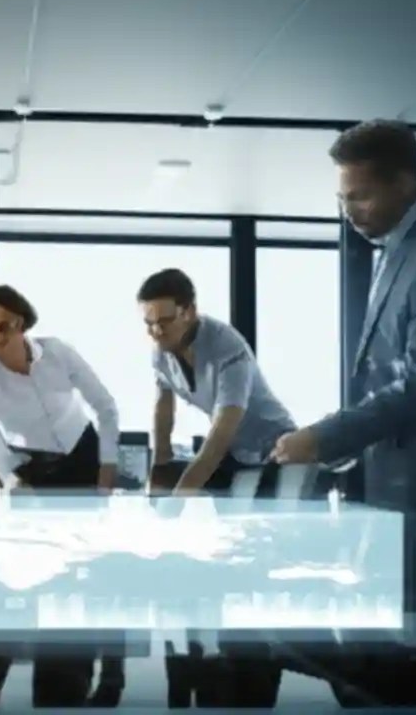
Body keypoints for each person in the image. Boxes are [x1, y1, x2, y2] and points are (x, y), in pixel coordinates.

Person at [270, 121, 416, 657]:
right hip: (400, 485)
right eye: (341, 198)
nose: (348, 211)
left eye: (359, 196)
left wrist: (328, 436)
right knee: (396, 650)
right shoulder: (400, 248)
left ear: (405, 183)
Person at [137, 267, 305, 708]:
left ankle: (264, 659)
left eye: (165, 320)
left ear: (190, 311)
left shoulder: (227, 347)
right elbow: (162, 409)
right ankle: (216, 646)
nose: (156, 330)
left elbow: (221, 433)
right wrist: (160, 467)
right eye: (148, 322)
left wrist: (179, 496)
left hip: (275, 449)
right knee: (225, 545)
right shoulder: (161, 351)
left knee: (262, 552)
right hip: (231, 453)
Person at [0, 284, 123, 708]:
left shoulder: (58, 353)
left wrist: (106, 474)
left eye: (4, 327)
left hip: (84, 459)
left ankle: (81, 682)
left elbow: (106, 407)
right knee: (25, 572)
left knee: (85, 573)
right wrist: (16, 482)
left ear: (23, 322)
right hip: (31, 471)